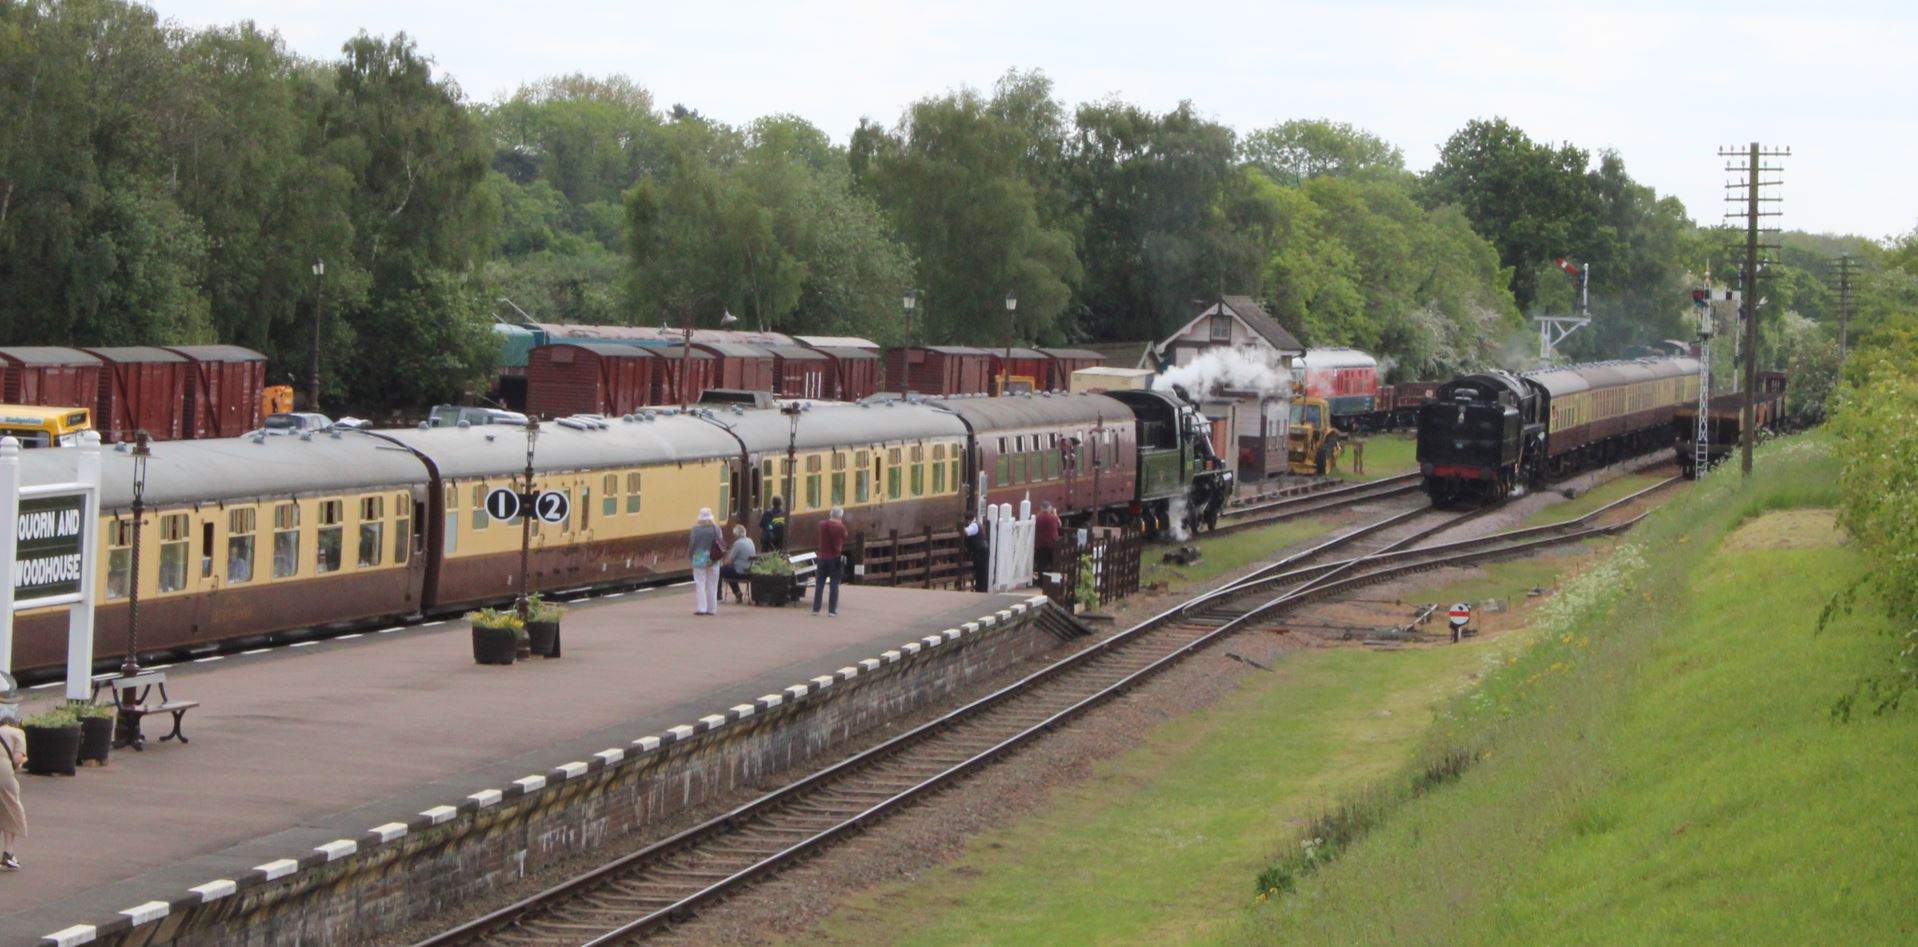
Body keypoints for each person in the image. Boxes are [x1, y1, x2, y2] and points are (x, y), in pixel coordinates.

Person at [0, 699, 24, 872]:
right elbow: (17, 758)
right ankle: (8, 853)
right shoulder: (17, 732)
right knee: (11, 808)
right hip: (3, 770)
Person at [688, 508, 724, 616]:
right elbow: (720, 543)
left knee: (700, 583)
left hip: (699, 558)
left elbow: (692, 544)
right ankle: (712, 609)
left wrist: (690, 557)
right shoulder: (716, 528)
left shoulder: (695, 529)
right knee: (712, 584)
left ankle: (702, 608)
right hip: (713, 559)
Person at [812, 507, 847, 616]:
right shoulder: (841, 527)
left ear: (831, 514)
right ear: (840, 516)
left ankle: (816, 609)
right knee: (834, 584)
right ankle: (831, 611)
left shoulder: (822, 524)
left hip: (822, 557)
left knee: (819, 584)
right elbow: (844, 537)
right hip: (834, 558)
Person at [719, 524, 756, 604]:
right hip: (749, 571)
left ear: (736, 535)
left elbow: (728, 561)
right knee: (728, 570)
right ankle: (737, 593)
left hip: (740, 572)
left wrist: (723, 562)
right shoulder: (750, 540)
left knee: (721, 570)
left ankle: (719, 596)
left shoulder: (738, 543)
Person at [1033, 502, 1062, 577]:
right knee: (1054, 564)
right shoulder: (1053, 517)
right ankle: (1054, 580)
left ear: (1041, 508)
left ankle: (1041, 581)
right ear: (1049, 508)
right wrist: (1055, 513)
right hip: (1052, 543)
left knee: (1041, 564)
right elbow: (1059, 524)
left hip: (1040, 544)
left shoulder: (1038, 518)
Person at [964, 518, 988, 592]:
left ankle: (980, 589)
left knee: (979, 570)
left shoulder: (974, 525)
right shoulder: (978, 524)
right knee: (982, 571)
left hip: (979, 551)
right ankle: (981, 588)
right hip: (983, 549)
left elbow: (967, 532)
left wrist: (961, 528)